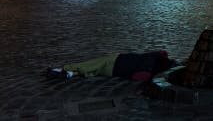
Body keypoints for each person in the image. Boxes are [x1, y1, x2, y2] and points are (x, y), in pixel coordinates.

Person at [47, 50, 176, 81]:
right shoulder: (151, 70)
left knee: (90, 65)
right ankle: (70, 74)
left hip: (116, 60)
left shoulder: (155, 56)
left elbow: (162, 52)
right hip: (115, 71)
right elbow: (137, 76)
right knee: (94, 71)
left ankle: (65, 69)